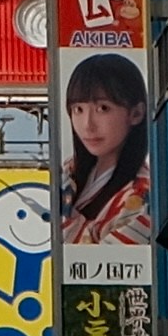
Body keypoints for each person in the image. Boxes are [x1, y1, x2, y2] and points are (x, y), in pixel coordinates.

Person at [62, 52, 152, 247]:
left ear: (136, 113)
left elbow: (108, 262)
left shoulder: (144, 195)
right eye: (78, 109)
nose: (87, 124)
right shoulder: (67, 172)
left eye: (102, 108)